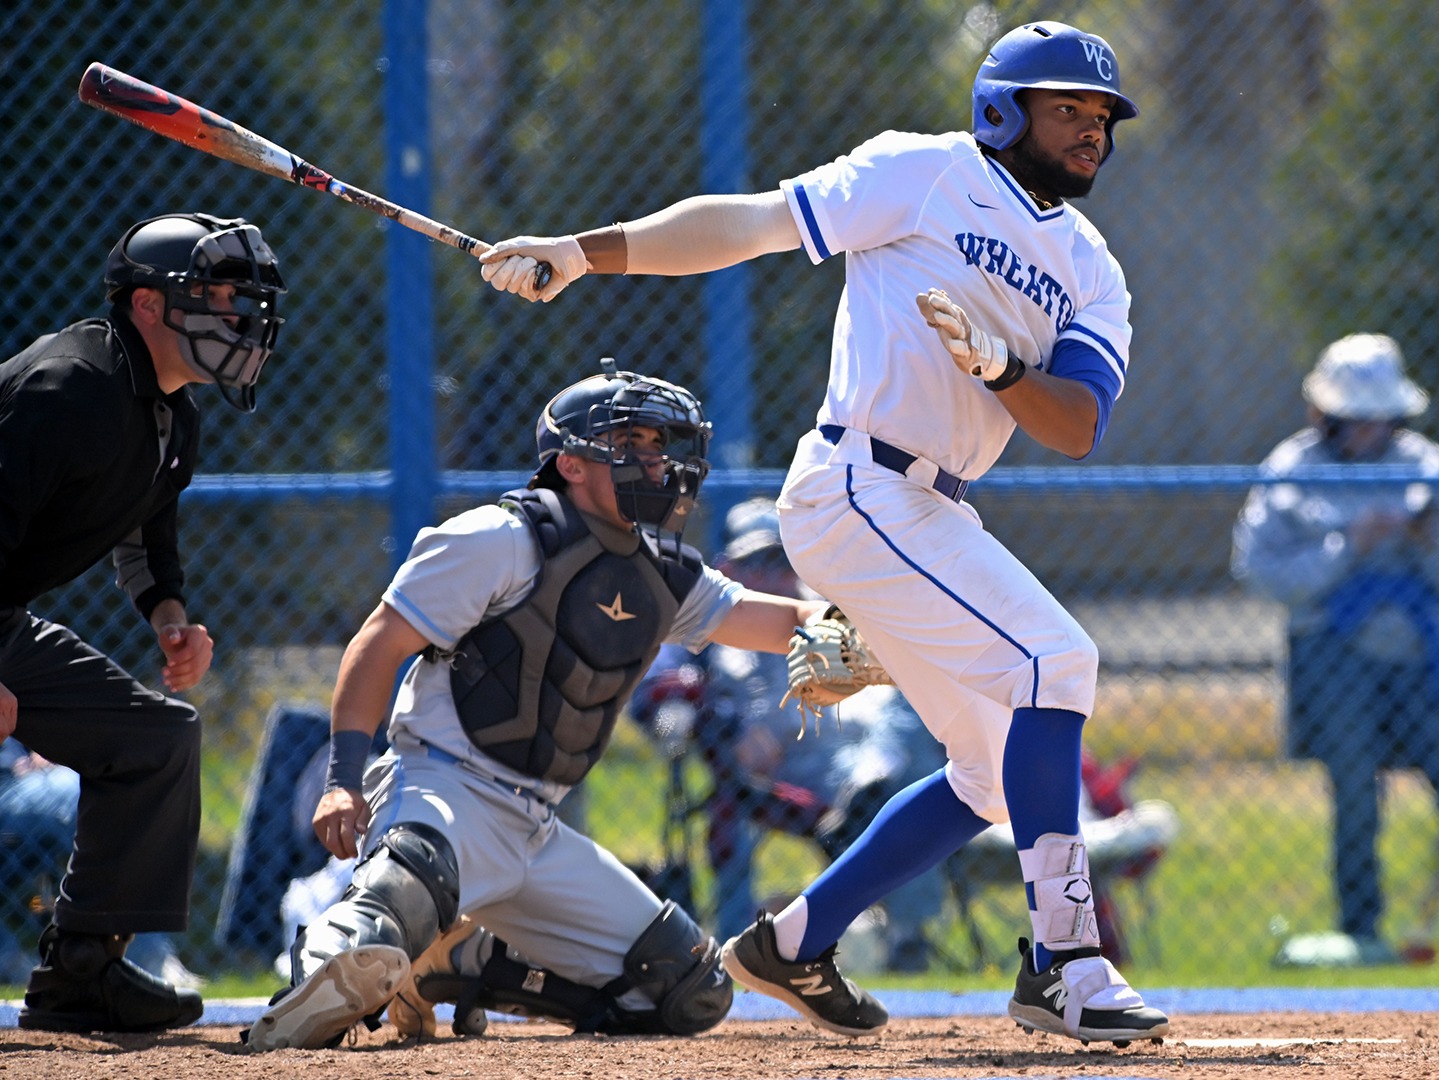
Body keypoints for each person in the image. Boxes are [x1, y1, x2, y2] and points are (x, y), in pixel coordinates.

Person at [477, 19, 1169, 1044]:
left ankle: (794, 941)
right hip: (857, 482)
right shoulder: (923, 173)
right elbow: (746, 225)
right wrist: (583, 254)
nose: (1091, 130)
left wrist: (1003, 372)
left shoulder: (1095, 270)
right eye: (1067, 107)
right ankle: (1063, 959)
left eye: (1103, 114)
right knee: (1058, 660)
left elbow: (1074, 424)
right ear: (1000, 108)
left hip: (932, 507)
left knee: (986, 774)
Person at [244, 367, 829, 1051]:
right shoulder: (498, 536)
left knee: (683, 987)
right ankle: (324, 968)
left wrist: (874, 632)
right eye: (629, 441)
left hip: (535, 826)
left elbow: (789, 621)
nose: (654, 459)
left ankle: (456, 966)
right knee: (394, 899)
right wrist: (344, 779)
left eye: (659, 442)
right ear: (570, 463)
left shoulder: (667, 576)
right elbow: (377, 645)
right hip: (443, 786)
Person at [0, 213, 286, 1031]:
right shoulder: (70, 387)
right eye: (219, 296)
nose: (239, 316)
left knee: (156, 740)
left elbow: (146, 537)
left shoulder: (170, 412)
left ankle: (82, 971)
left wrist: (169, 617)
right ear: (148, 307)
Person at [1230, 333, 1439, 965]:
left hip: (1419, 657)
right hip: (1334, 657)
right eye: (1354, 419)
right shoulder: (1291, 470)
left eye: (1379, 419)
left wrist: (1424, 541)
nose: (1367, 432)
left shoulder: (1429, 466)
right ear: (1324, 415)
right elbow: (1259, 570)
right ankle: (1362, 935)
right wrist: (1348, 547)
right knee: (1355, 793)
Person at [631, 498, 948, 971]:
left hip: (865, 746)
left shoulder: (820, 616)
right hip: (782, 776)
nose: (773, 573)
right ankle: (896, 923)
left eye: (782, 560)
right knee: (892, 782)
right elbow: (654, 690)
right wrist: (722, 725)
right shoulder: (709, 620)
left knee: (911, 720)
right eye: (757, 561)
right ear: (726, 566)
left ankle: (882, 802)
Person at [0, 740, 202, 987]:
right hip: (10, 781)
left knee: (123, 789)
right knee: (92, 796)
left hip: (44, 772)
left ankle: (144, 965)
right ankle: (147, 968)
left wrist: (57, 748)